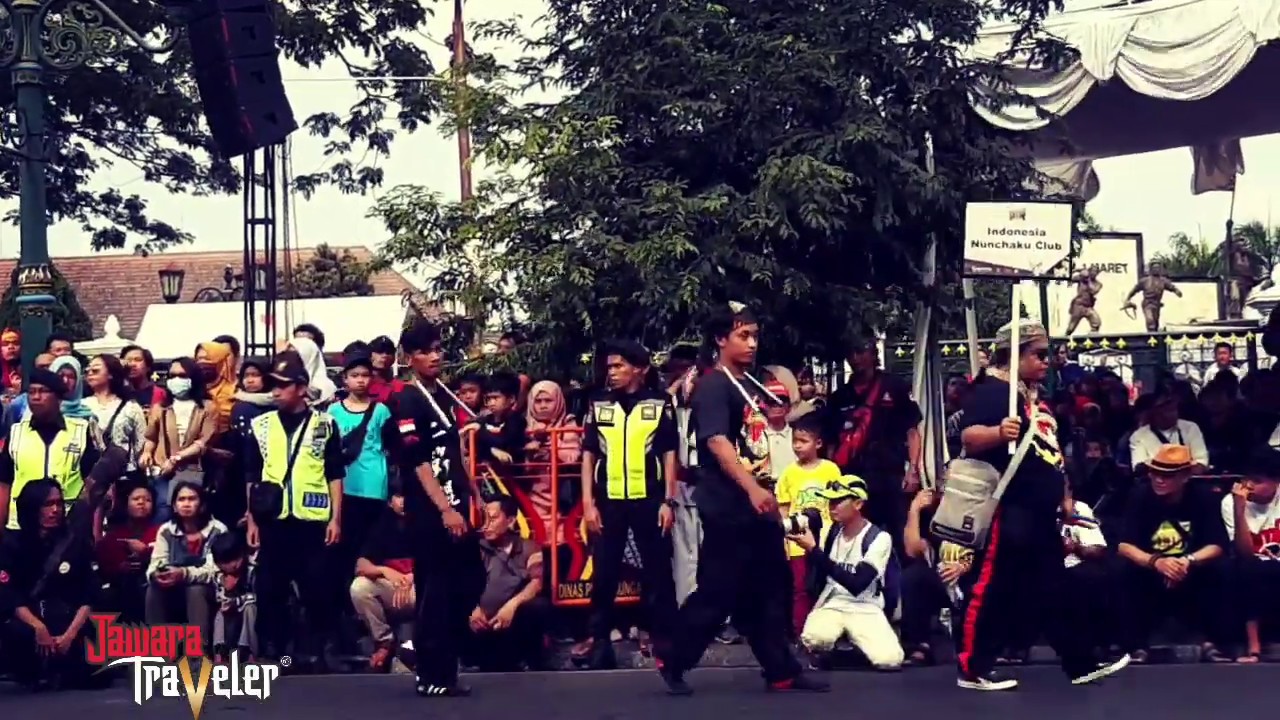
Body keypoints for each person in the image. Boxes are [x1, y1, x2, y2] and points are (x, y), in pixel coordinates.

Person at [953, 319, 1129, 690]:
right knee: (993, 586)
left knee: (1054, 586)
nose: (1046, 361)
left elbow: (1047, 452)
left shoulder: (1031, 396)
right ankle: (973, 666)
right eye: (1038, 354)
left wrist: (1063, 494)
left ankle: (1079, 663)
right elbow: (969, 438)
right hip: (1009, 507)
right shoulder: (991, 391)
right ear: (1013, 354)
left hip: (1039, 510)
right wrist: (998, 432)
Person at [662, 304, 827, 695]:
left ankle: (781, 669)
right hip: (728, 505)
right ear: (721, 340)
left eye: (755, 335)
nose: (753, 343)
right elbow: (717, 442)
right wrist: (751, 488)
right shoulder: (714, 386)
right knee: (720, 589)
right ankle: (673, 655)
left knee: (771, 585)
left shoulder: (749, 382)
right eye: (743, 336)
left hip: (759, 505)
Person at [384, 320, 482, 697]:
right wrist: (444, 509)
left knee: (470, 579)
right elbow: (419, 461)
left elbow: (453, 452)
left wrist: (475, 493)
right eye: (426, 350)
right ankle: (432, 671)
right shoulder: (407, 399)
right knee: (436, 589)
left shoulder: (439, 392)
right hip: (431, 512)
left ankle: (441, 661)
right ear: (410, 358)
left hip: (457, 501)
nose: (436, 355)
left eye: (438, 348)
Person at [577, 340, 679, 669]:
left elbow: (669, 453)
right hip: (609, 499)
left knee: (658, 571)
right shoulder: (598, 402)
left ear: (640, 368)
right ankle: (601, 643)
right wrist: (588, 503)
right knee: (604, 572)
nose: (612, 372)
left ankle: (663, 640)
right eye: (609, 367)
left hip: (649, 497)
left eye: (619, 366)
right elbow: (588, 453)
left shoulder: (660, 403)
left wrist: (668, 500)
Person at [245, 350, 345, 669]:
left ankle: (319, 651)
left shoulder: (325, 424)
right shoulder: (260, 425)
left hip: (312, 521)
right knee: (270, 589)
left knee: (317, 586)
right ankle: (275, 652)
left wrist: (336, 519)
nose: (275, 391)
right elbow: (252, 476)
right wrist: (252, 521)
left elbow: (334, 474)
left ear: (301, 388)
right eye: (272, 385)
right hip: (273, 520)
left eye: (282, 385)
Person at [1116, 443, 1231, 662]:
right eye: (1155, 473)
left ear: (1185, 476)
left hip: (1188, 567)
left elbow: (1217, 545)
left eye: (1167, 475)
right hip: (1149, 567)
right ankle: (1135, 646)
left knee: (1221, 570)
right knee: (1124, 571)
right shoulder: (1139, 496)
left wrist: (1187, 561)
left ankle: (1212, 643)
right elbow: (1124, 545)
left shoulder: (1203, 498)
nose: (1159, 479)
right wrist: (1156, 562)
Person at [790, 477, 903, 670]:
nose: (832, 506)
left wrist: (813, 550)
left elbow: (858, 583)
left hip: (865, 605)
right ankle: (841, 644)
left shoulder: (878, 538)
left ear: (858, 503)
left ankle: (850, 650)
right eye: (830, 501)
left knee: (890, 660)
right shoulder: (834, 531)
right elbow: (820, 575)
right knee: (815, 639)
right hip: (833, 602)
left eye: (838, 501)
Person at [0, 480, 99, 688]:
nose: (55, 510)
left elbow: (89, 592)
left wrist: (69, 635)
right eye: (47, 505)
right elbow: (9, 593)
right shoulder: (12, 545)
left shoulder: (73, 543)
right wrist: (38, 627)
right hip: (29, 622)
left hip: (68, 621)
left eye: (59, 503)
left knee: (92, 666)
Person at [0, 368, 102, 529]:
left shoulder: (81, 430)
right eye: (31, 392)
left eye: (42, 391)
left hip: (69, 525)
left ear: (59, 398)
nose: (36, 397)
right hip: (22, 526)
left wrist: (94, 529)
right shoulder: (16, 432)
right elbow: (4, 483)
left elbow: (94, 485)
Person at [775, 413, 841, 636]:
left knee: (824, 586)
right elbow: (783, 507)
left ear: (818, 443)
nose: (797, 446)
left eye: (803, 441)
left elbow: (838, 504)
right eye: (795, 441)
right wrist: (784, 540)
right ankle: (801, 631)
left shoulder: (830, 470)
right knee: (800, 589)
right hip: (797, 543)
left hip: (824, 540)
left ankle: (824, 631)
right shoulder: (789, 473)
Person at [140, 357, 216, 522]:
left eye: (182, 376)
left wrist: (176, 459)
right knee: (163, 511)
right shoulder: (160, 407)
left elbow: (202, 443)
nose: (176, 380)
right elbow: (151, 437)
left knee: (189, 514)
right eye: (172, 376)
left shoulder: (207, 407)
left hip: (191, 470)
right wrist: (146, 452)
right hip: (161, 470)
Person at [1224, 446, 1280, 663]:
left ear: (1276, 481)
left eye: (1257, 481)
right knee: (1247, 570)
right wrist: (1240, 510)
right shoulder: (1231, 502)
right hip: (1252, 564)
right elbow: (1245, 552)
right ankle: (1253, 648)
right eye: (1247, 479)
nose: (1249, 485)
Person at [145, 481, 225, 632]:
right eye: (181, 499)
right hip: (174, 588)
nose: (186, 504)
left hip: (209, 590)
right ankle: (160, 649)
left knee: (195, 590)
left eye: (192, 499)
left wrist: (184, 574)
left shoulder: (217, 530)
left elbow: (215, 570)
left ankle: (199, 650)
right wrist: (157, 574)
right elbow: (156, 563)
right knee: (153, 589)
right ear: (174, 506)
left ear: (202, 505)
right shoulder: (166, 530)